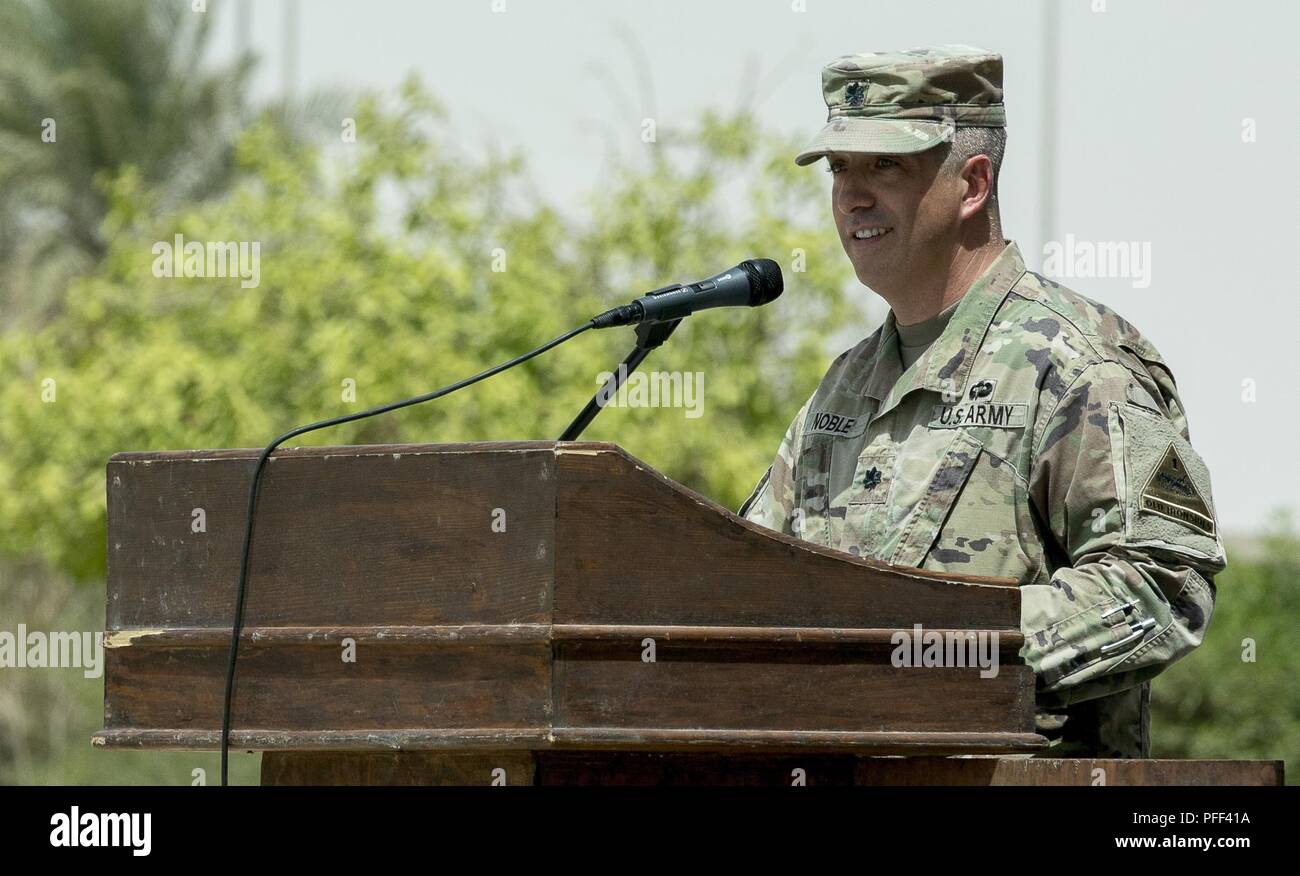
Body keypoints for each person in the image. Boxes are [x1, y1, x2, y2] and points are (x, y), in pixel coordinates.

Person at [740, 45, 1225, 757]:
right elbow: (748, 582)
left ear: (972, 184)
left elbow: (1163, 584)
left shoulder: (1076, 362)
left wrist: (943, 658)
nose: (852, 195)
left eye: (885, 166)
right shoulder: (842, 388)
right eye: (840, 169)